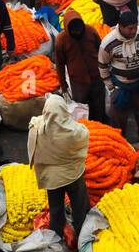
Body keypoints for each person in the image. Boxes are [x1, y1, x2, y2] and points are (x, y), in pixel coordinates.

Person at [28, 93, 91, 242]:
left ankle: (55, 241)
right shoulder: (74, 132)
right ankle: (82, 238)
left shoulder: (37, 128)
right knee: (79, 207)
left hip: (51, 179)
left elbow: (32, 148)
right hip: (72, 175)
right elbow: (85, 135)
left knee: (56, 210)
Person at [98, 8, 139, 142]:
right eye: (129, 29)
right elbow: (102, 66)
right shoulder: (108, 43)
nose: (133, 31)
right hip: (120, 85)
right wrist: (111, 87)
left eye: (135, 27)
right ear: (121, 27)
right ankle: (120, 140)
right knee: (118, 116)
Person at [54, 8, 106, 122]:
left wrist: (106, 72)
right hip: (78, 81)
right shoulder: (61, 40)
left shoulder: (91, 31)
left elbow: (102, 50)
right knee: (81, 107)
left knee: (98, 105)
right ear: (68, 29)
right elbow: (60, 64)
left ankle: (101, 125)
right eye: (73, 30)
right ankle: (85, 127)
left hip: (96, 76)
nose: (77, 32)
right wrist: (63, 84)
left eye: (79, 29)